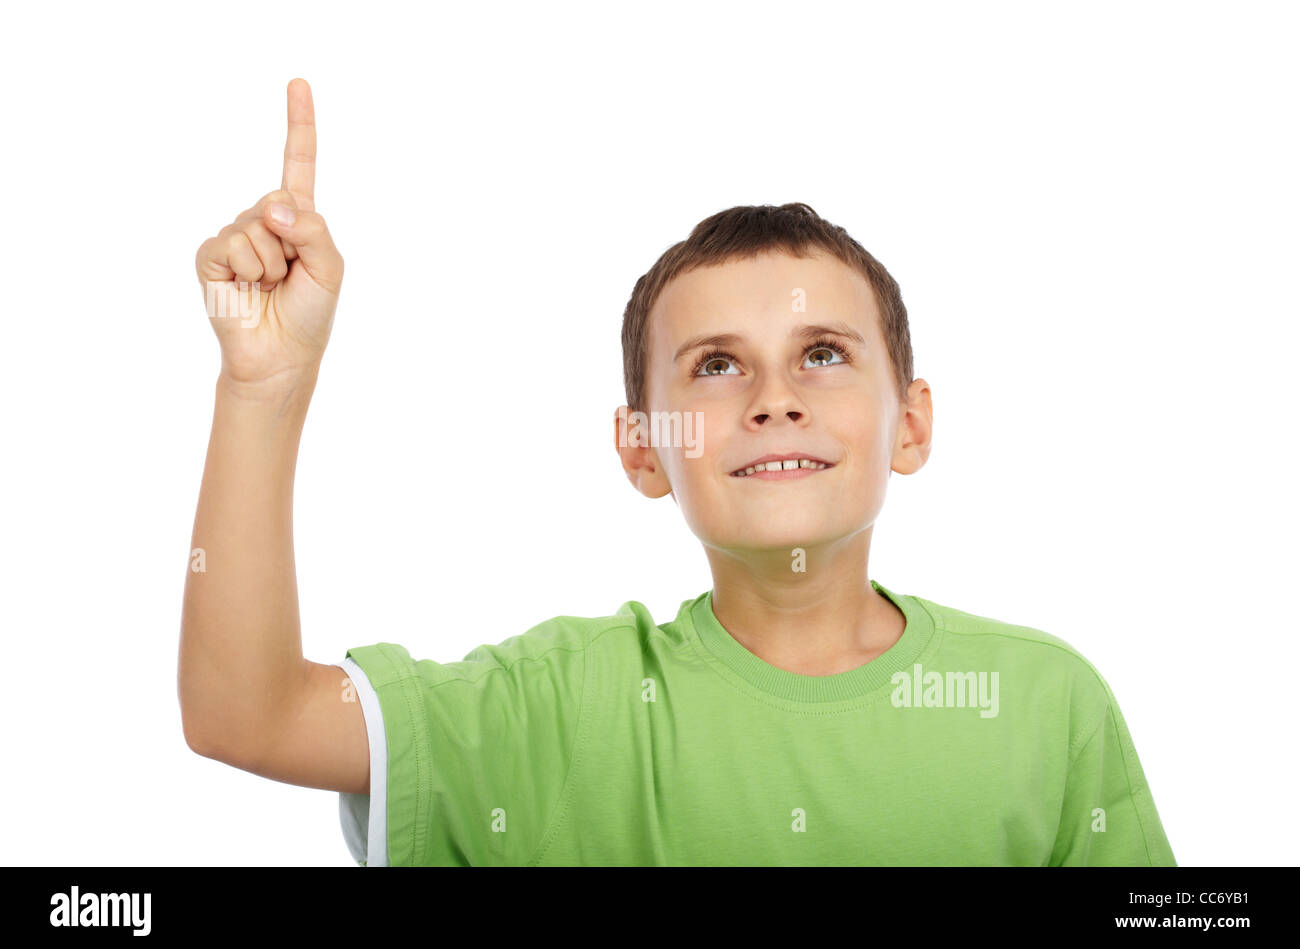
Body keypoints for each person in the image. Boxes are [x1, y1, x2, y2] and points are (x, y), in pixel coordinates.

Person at [180, 77, 1176, 867]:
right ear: (643, 446)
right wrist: (262, 390)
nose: (773, 397)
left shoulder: (1046, 702)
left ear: (909, 424)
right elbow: (247, 714)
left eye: (822, 353)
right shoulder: (561, 709)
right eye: (715, 364)